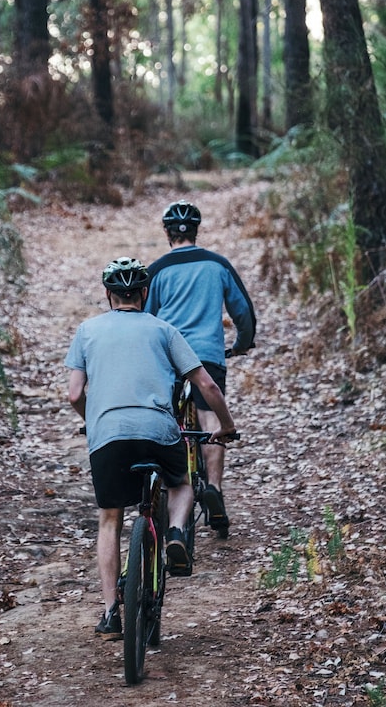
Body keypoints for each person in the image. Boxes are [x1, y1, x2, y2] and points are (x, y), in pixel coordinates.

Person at [66, 256, 237, 641]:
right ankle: (176, 531)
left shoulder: (87, 330)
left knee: (110, 518)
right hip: (158, 429)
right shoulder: (164, 330)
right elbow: (207, 386)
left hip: (108, 434)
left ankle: (111, 613)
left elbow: (75, 393)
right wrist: (226, 427)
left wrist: (92, 419)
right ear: (144, 293)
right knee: (181, 484)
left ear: (109, 295)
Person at [145, 200, 256, 535]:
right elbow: (243, 312)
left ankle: (167, 487)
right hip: (207, 355)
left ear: (167, 232)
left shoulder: (158, 269)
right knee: (209, 418)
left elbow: (144, 318)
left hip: (168, 356)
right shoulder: (217, 265)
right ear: (197, 230)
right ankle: (215, 489)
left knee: (167, 416)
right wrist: (241, 344)